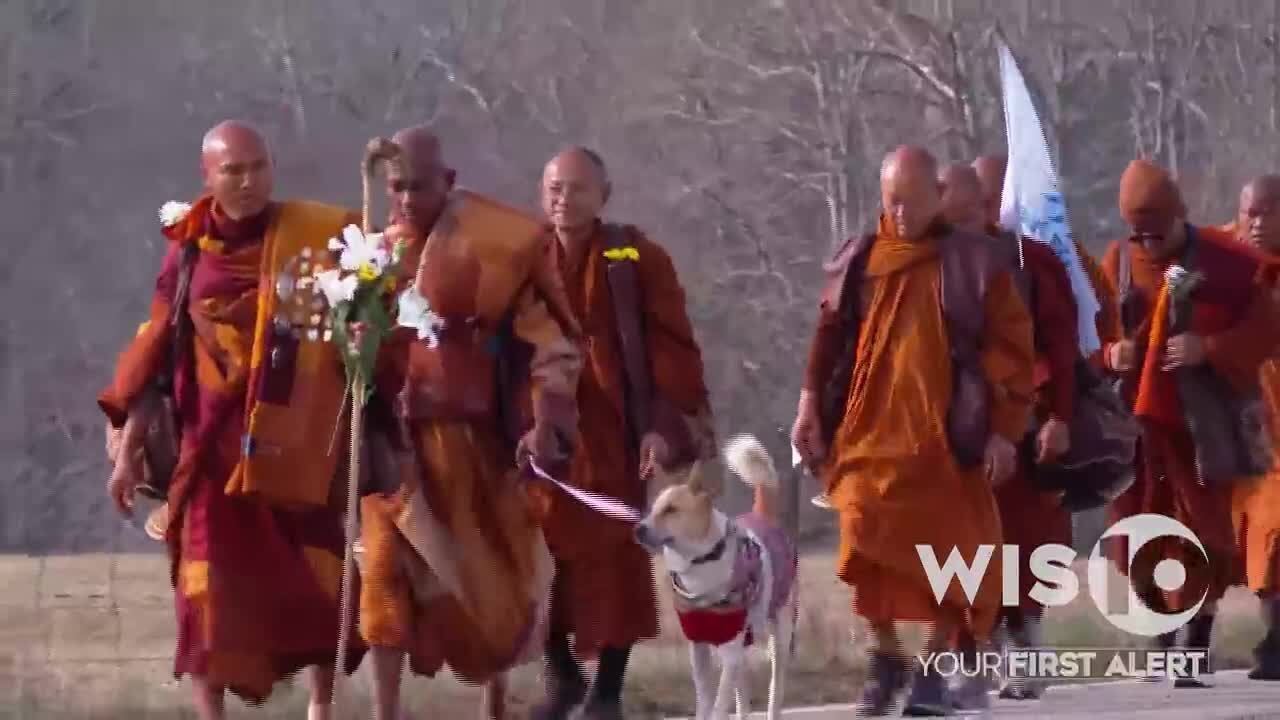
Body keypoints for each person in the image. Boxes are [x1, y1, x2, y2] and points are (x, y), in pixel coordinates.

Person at [100, 120, 364, 720]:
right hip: (211, 450)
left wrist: (361, 331)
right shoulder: (190, 250)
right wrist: (127, 455)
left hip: (294, 441)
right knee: (206, 594)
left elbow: (363, 304)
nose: (248, 181)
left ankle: (321, 709)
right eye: (233, 171)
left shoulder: (311, 237)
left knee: (317, 579)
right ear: (208, 177)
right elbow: (156, 354)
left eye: (258, 167)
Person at [792, 146, 1036, 715]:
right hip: (867, 434)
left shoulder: (975, 264)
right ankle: (885, 656)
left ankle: (931, 668)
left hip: (944, 439)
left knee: (948, 554)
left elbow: (1013, 354)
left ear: (939, 197)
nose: (900, 214)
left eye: (913, 201)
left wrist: (1004, 431)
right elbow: (828, 336)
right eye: (892, 201)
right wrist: (808, 404)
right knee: (860, 534)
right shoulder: (863, 259)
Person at [354, 125, 584, 720]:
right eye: (397, 187)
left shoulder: (499, 246)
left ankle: (494, 702)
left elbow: (550, 344)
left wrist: (545, 416)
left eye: (419, 186)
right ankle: (385, 713)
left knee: (486, 581)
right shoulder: (370, 257)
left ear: (448, 181)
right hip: (393, 445)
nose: (407, 199)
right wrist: (350, 348)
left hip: (473, 443)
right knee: (381, 573)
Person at [532, 146, 716, 720]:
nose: (565, 199)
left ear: (603, 196)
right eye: (556, 188)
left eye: (578, 189)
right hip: (543, 435)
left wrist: (659, 428)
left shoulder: (633, 256)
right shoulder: (523, 255)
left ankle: (607, 691)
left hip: (611, 437)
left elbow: (672, 348)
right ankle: (561, 676)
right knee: (537, 559)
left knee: (617, 559)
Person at [1100, 159, 1280, 687]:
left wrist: (1210, 348)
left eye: (1158, 232)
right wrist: (1112, 353)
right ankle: (1162, 643)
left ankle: (1194, 644)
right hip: (1138, 432)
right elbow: (1089, 334)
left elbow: (1266, 329)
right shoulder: (1119, 263)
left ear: (1180, 214)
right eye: (1140, 234)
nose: (1149, 244)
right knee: (1140, 538)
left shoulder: (1228, 262)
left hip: (1203, 429)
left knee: (1206, 538)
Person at [938, 162, 1078, 705]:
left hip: (1022, 420)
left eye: (968, 216)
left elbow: (1061, 345)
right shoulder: (928, 260)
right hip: (950, 426)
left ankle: (1024, 651)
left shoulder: (1029, 261)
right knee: (954, 545)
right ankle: (966, 659)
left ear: (988, 207)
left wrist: (1060, 415)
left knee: (1022, 543)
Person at [1230, 174, 1280, 680]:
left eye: (1269, 212)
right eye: (1251, 212)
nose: (1258, 222)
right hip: (1248, 424)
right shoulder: (1224, 264)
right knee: (1261, 532)